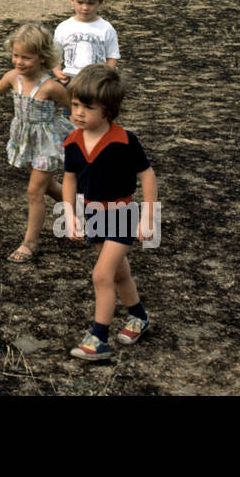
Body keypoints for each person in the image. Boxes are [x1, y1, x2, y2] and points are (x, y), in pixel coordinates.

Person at [0, 22, 73, 262]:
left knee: (34, 190)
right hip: (26, 140)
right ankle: (80, 208)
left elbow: (73, 108)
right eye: (15, 55)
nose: (19, 61)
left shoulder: (51, 87)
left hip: (47, 142)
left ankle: (30, 242)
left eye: (26, 57)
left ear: (42, 58)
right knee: (47, 186)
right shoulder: (12, 77)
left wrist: (86, 134)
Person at [60, 65, 157, 361]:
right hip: (93, 215)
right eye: (75, 104)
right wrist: (71, 215)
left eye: (87, 107)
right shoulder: (73, 142)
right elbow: (69, 179)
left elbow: (148, 175)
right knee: (118, 273)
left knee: (101, 275)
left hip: (122, 213)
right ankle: (139, 316)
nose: (78, 112)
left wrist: (148, 217)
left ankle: (98, 339)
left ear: (109, 110)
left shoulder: (124, 141)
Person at [53, 0, 120, 84]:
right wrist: (57, 71)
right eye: (80, 2)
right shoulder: (64, 28)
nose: (85, 8)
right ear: (72, 0)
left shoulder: (106, 28)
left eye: (90, 3)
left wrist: (108, 75)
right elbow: (55, 54)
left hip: (97, 80)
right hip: (70, 79)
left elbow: (112, 56)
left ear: (100, 2)